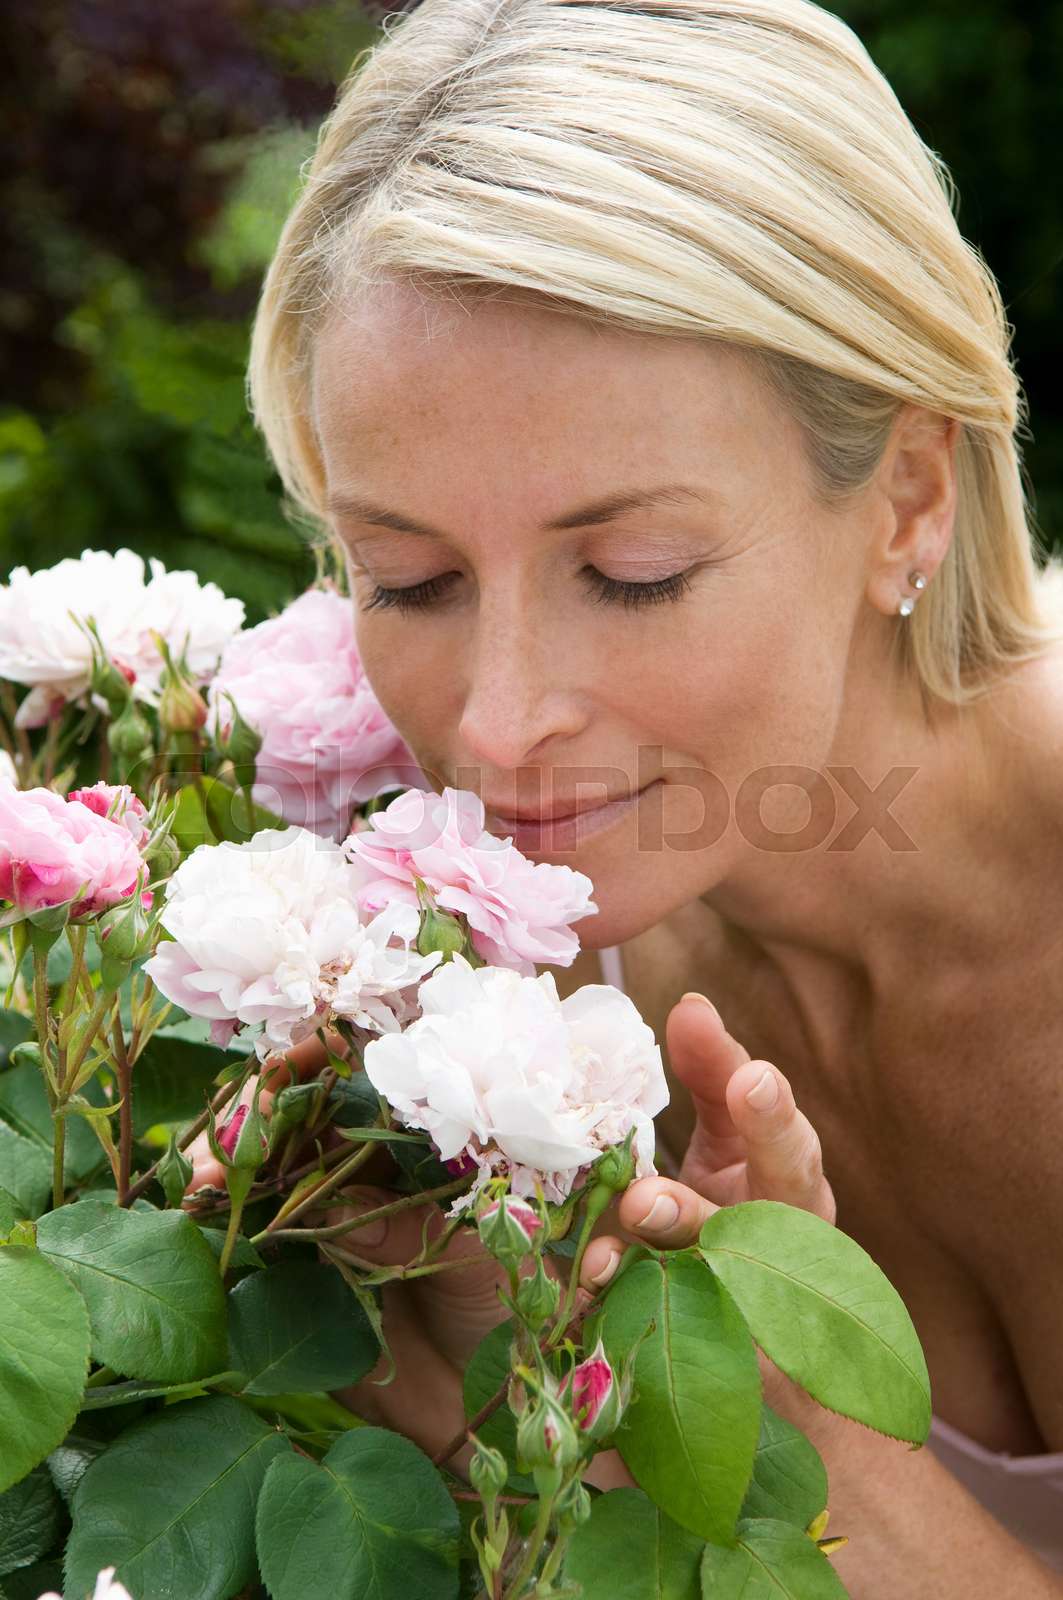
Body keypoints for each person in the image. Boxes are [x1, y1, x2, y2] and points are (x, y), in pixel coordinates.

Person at [189, 1, 1063, 1589]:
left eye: (633, 572)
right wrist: (465, 1377)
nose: (502, 725)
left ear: (909, 498)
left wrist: (782, 1424)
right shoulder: (482, 996)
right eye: (411, 578)